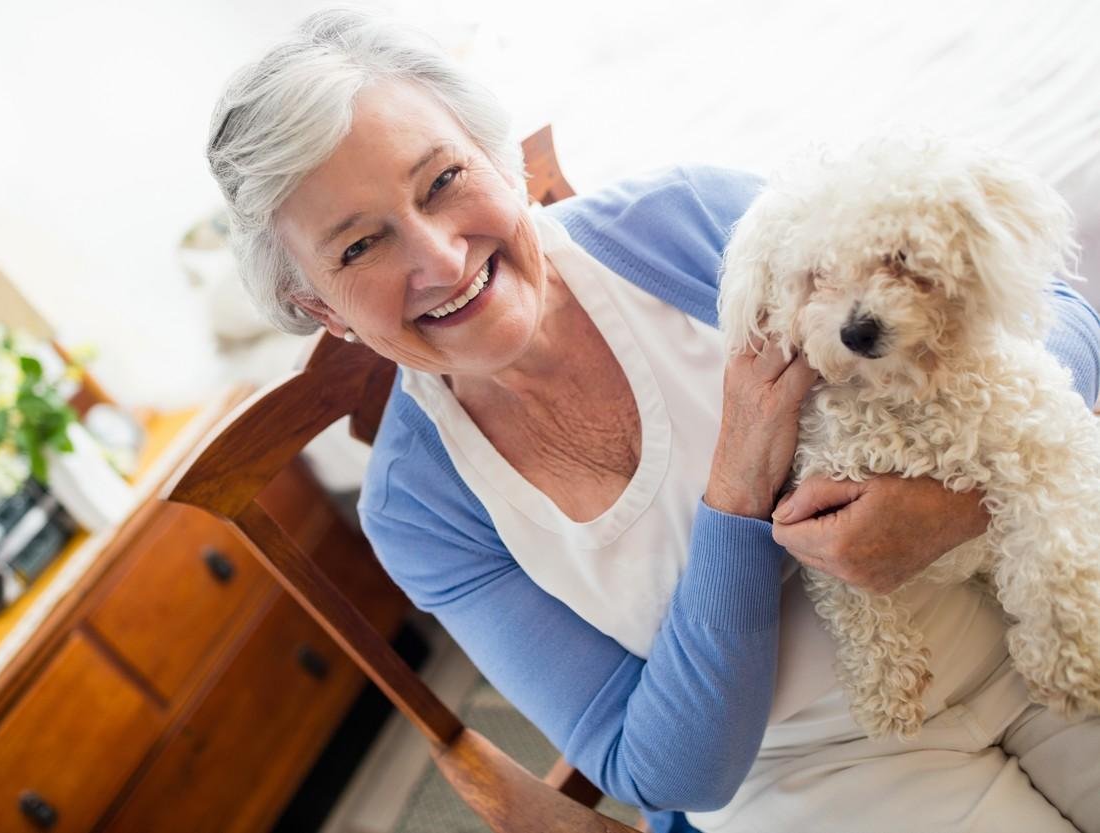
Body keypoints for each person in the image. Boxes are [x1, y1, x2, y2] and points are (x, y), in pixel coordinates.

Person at [205, 10, 1100, 832]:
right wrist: (737, 491)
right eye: (359, 246)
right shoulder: (417, 509)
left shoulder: (685, 221)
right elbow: (665, 770)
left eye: (442, 181)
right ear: (321, 309)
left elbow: (1064, 318)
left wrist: (958, 503)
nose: (440, 258)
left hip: (1023, 601)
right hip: (812, 776)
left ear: (498, 159)